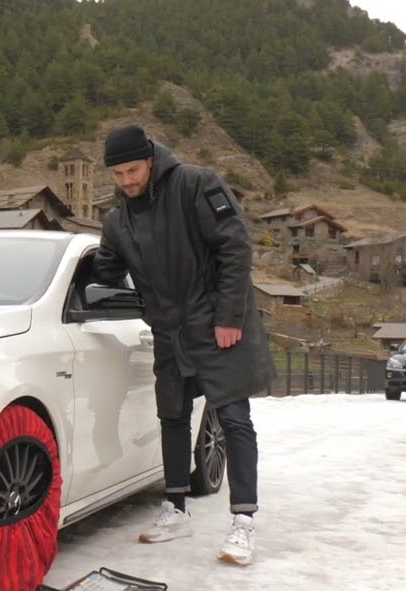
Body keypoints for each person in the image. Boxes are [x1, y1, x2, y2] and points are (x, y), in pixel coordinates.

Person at [92, 124, 276, 565]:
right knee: (172, 416)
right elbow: (108, 268)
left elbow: (235, 248)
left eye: (132, 171)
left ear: (151, 158)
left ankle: (243, 523)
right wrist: (99, 278)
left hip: (216, 327)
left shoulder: (196, 184)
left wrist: (230, 317)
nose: (126, 182)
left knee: (234, 418)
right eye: (117, 176)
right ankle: (175, 509)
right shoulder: (119, 220)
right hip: (168, 331)